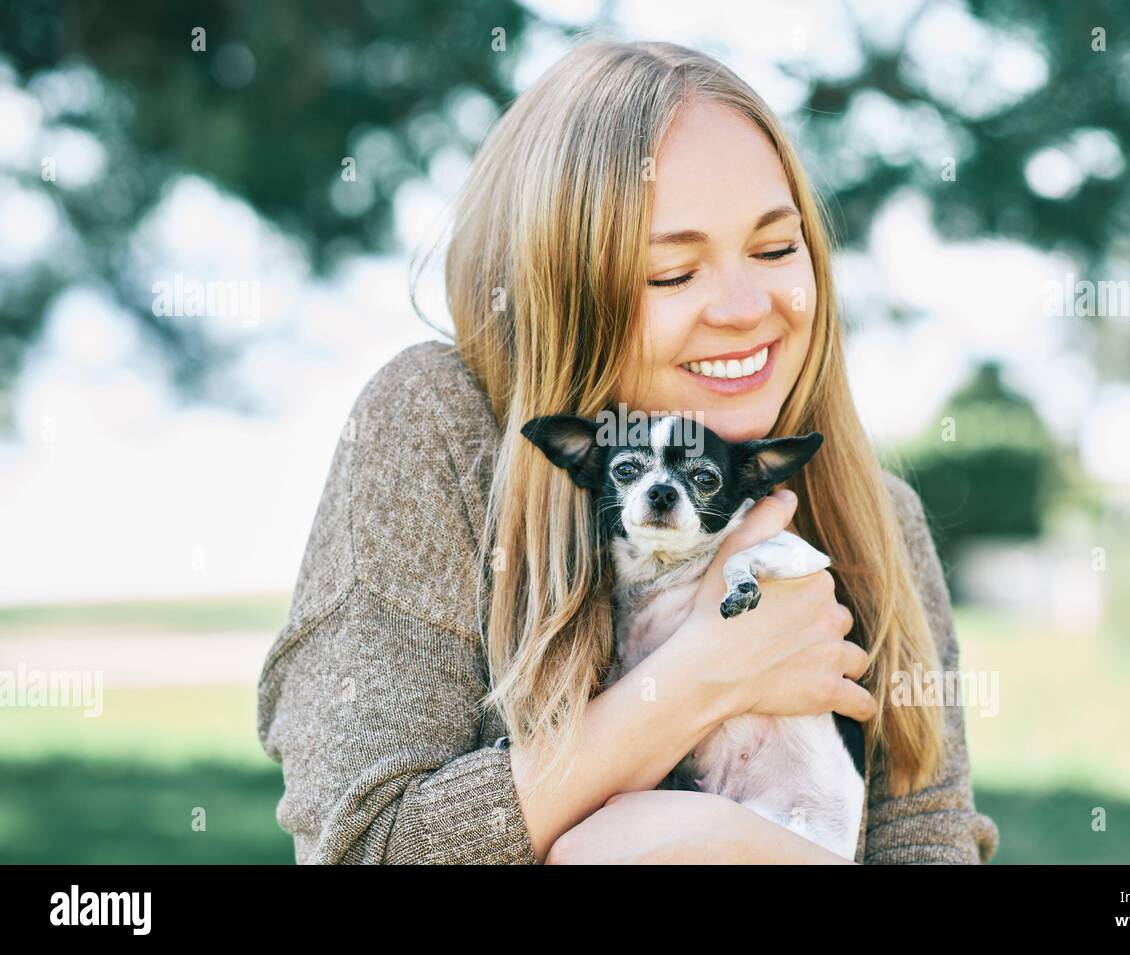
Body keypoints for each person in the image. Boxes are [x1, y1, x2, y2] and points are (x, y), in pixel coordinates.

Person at [256, 37, 999, 865]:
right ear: (563, 291)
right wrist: (704, 674)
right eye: (673, 274)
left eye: (776, 248)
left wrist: (716, 840)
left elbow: (929, 843)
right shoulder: (442, 426)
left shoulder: (874, 512)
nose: (746, 306)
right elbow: (366, 850)